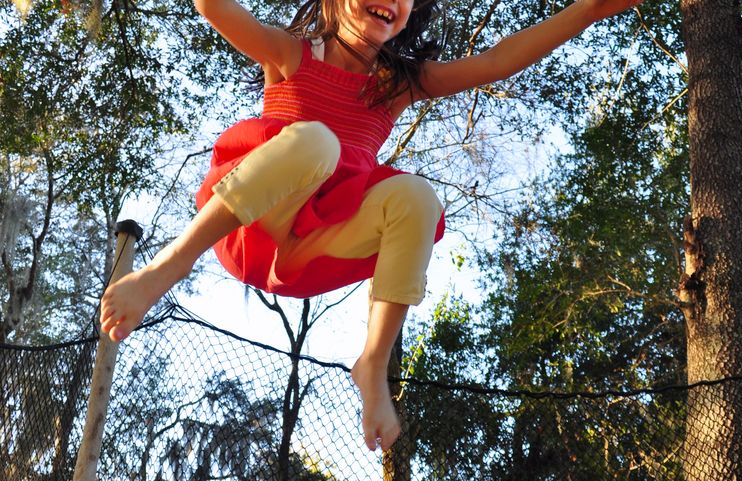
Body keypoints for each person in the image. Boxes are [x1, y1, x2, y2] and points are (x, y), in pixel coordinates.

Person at [100, 0, 643, 452]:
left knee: (417, 196)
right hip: (252, 229)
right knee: (316, 141)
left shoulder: (398, 85)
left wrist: (589, 9)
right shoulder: (290, 54)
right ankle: (171, 264)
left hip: (310, 253)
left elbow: (499, 60)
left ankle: (373, 363)